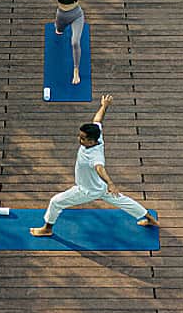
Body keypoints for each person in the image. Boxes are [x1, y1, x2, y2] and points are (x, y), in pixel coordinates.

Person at [30, 93, 157, 237]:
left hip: (86, 190)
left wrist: (111, 183)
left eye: (82, 138)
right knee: (124, 201)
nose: (79, 139)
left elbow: (99, 168)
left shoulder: (95, 156)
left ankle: (47, 229)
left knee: (55, 202)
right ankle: (150, 219)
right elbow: (97, 120)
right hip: (100, 187)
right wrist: (104, 106)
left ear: (91, 141)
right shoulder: (98, 136)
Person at [0, 0, 134, 86]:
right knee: (58, 30)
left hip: (76, 15)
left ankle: (76, 70)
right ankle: (59, 29)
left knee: (75, 42)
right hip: (61, 15)